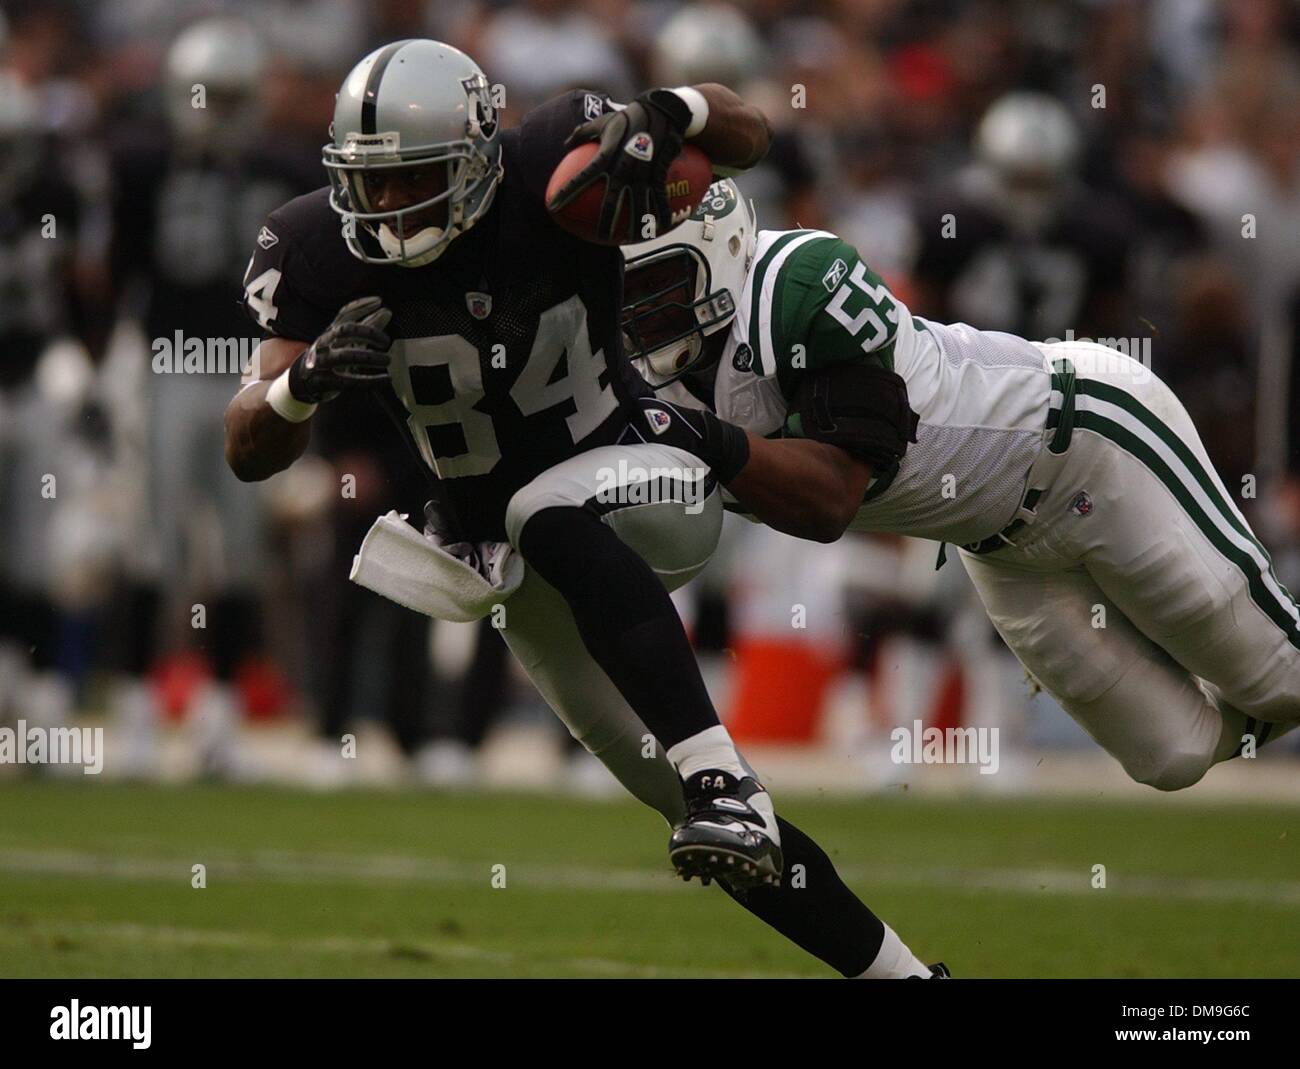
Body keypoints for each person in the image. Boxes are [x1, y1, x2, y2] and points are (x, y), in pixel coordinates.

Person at [224, 39, 942, 978]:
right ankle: (904, 974)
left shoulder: (551, 158)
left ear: (480, 155)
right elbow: (247, 448)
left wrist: (673, 109)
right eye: (373, 184)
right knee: (704, 818)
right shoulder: (310, 244)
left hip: (643, 471)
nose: (390, 208)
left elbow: (748, 132)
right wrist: (299, 389)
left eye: (418, 179)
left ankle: (721, 771)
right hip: (517, 561)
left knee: (546, 514)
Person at [621, 176, 1300, 793]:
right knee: (1173, 756)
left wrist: (691, 436)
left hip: (1087, 441)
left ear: (725, 248)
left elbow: (830, 498)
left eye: (661, 284)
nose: (642, 311)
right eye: (630, 292)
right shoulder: (638, 371)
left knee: (1279, 675)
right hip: (994, 542)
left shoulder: (798, 284)